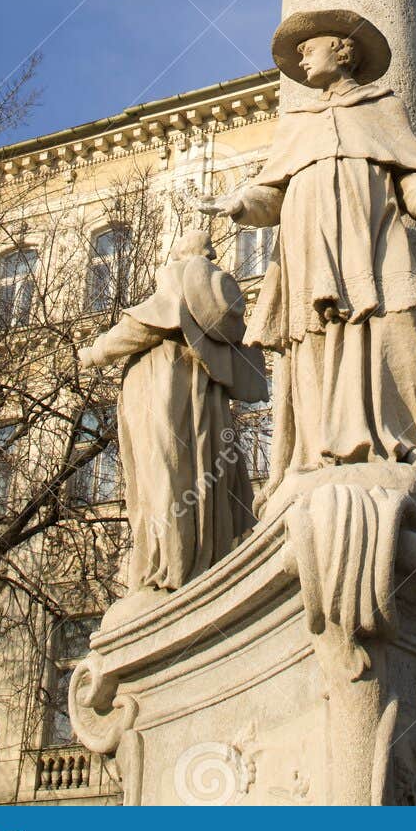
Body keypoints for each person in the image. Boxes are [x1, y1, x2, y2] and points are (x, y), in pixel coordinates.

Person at [201, 9, 416, 488]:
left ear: (343, 50)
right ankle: (320, 447)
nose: (302, 57)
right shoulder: (297, 119)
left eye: (309, 48)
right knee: (317, 337)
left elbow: (412, 177)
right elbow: (270, 193)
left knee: (396, 327)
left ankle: (403, 441)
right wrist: (238, 203)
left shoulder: (381, 107)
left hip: (374, 236)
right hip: (309, 243)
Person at [78, 232, 266, 592]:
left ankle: (171, 566)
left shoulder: (180, 284)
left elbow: (139, 327)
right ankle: (202, 555)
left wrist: (93, 353)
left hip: (164, 399)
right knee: (199, 472)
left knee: (165, 476)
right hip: (195, 404)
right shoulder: (213, 312)